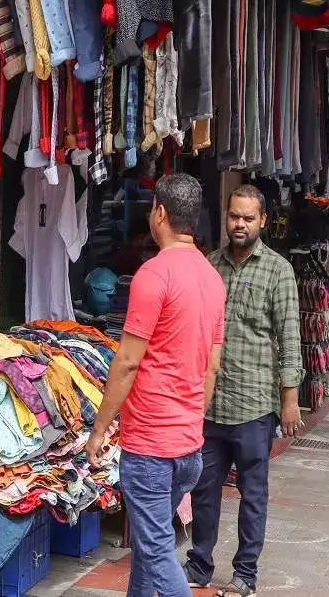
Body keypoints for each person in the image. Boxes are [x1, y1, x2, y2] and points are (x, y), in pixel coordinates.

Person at [86, 174, 226, 597]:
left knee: (158, 551)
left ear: (160, 213)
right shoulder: (212, 278)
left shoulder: (154, 274)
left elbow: (127, 361)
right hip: (188, 447)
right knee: (149, 552)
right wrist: (191, 421)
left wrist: (98, 431)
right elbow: (212, 367)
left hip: (150, 444)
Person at [184, 185, 304, 597]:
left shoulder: (278, 270)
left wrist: (290, 398)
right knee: (203, 490)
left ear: (263, 221)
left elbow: (290, 337)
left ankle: (245, 574)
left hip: (255, 405)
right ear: (226, 215)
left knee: (253, 493)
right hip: (210, 403)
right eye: (234, 216)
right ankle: (199, 564)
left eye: (248, 218)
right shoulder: (209, 266)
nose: (239, 224)